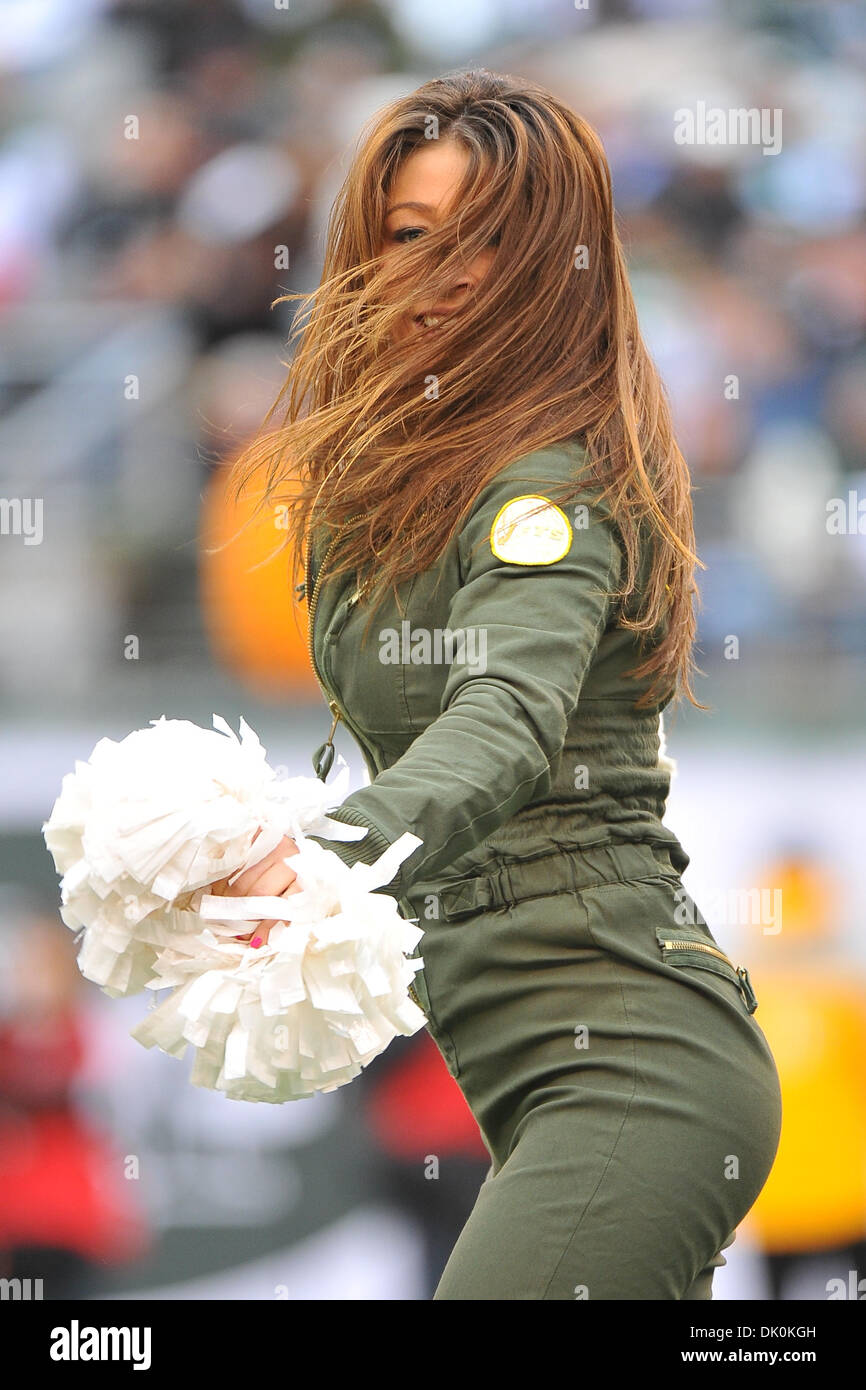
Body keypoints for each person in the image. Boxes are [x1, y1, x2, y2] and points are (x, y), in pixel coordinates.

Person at [217, 68, 783, 1300]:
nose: (447, 270)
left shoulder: (546, 485)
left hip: (638, 1076)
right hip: (534, 1091)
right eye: (413, 235)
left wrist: (316, 851)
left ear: (552, 257)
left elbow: (507, 721)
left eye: (488, 237)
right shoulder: (412, 479)